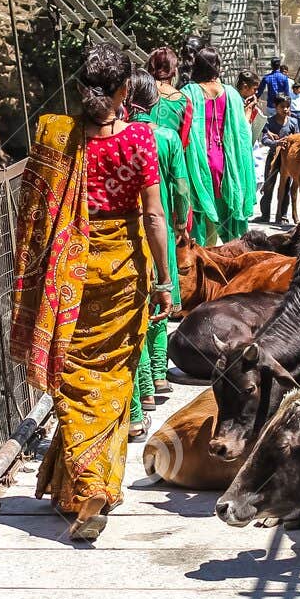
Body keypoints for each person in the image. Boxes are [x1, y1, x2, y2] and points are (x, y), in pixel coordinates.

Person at [9, 43, 173, 542]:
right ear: (125, 90)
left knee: (73, 375)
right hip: (123, 271)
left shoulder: (59, 138)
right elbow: (153, 216)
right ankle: (92, 486)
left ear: (82, 88)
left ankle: (78, 485)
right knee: (113, 378)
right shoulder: (140, 140)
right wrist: (165, 279)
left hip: (69, 273)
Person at [126, 69, 191, 439]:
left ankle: (144, 392)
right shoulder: (166, 137)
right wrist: (181, 223)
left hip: (128, 230)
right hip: (160, 223)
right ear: (154, 102)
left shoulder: (120, 136)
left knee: (138, 308)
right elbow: (180, 186)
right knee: (160, 296)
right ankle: (157, 378)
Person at [181, 44, 256, 244]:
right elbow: (243, 135)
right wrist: (249, 113)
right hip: (227, 166)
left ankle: (204, 255)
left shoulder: (188, 92)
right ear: (217, 66)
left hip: (199, 165)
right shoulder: (232, 94)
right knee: (228, 217)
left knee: (204, 220)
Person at [258, 93, 300, 222]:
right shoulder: (269, 122)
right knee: (268, 185)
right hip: (273, 158)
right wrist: (277, 143)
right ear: (275, 107)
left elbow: (298, 139)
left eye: (288, 106)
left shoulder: (293, 122)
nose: (285, 109)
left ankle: (283, 215)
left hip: (288, 161)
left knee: (286, 186)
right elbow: (264, 139)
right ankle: (265, 215)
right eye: (282, 106)